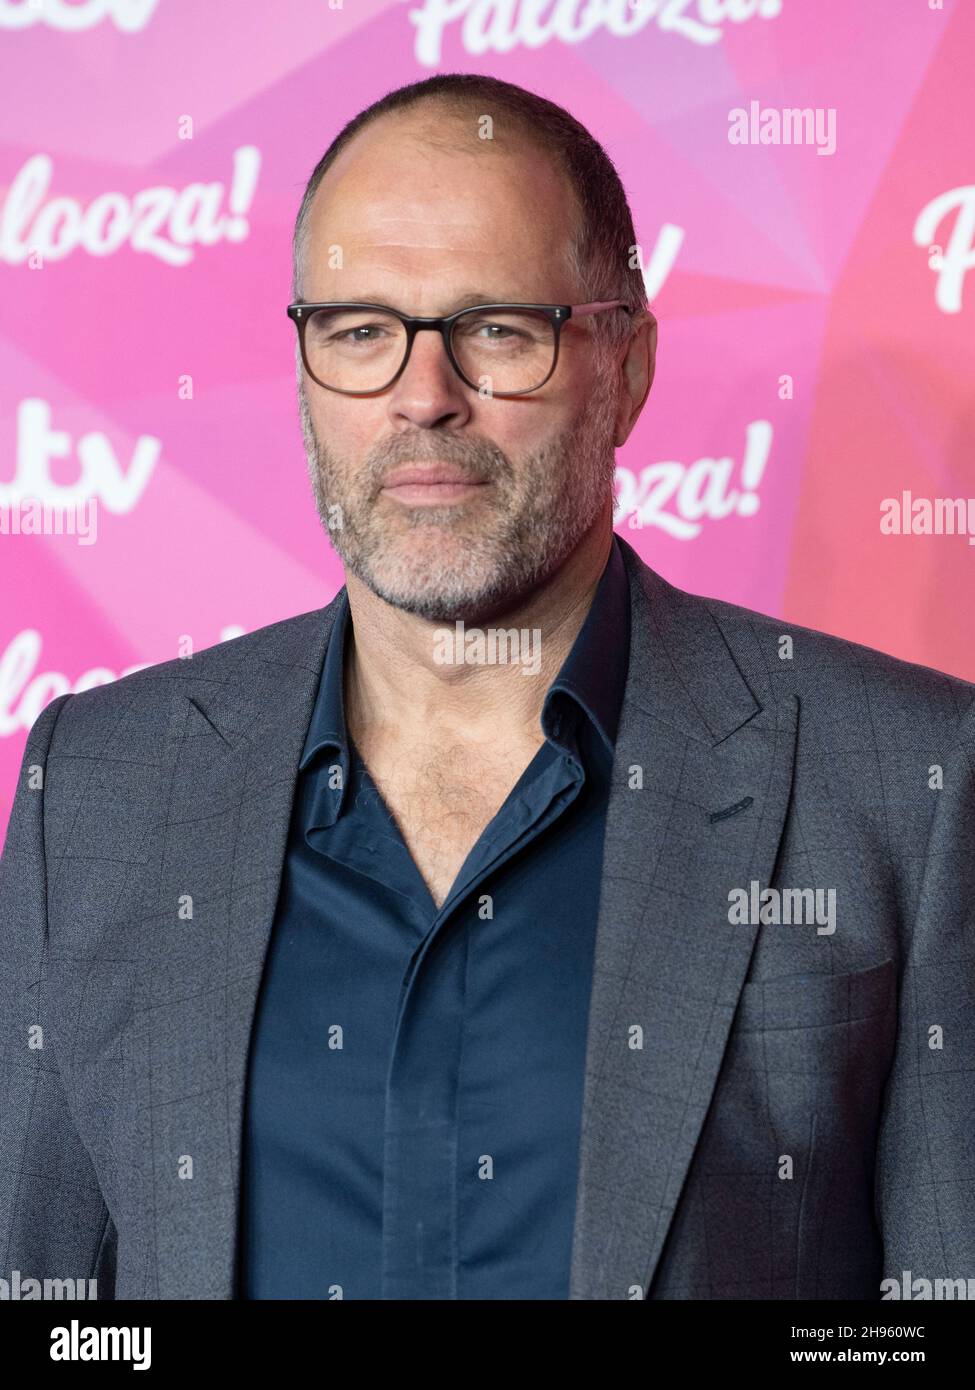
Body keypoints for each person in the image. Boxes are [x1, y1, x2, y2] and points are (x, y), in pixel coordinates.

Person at [1, 73, 973, 1302]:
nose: (423, 394)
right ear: (303, 371)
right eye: (361, 330)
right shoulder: (95, 787)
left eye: (498, 329)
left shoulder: (907, 786)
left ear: (625, 366)